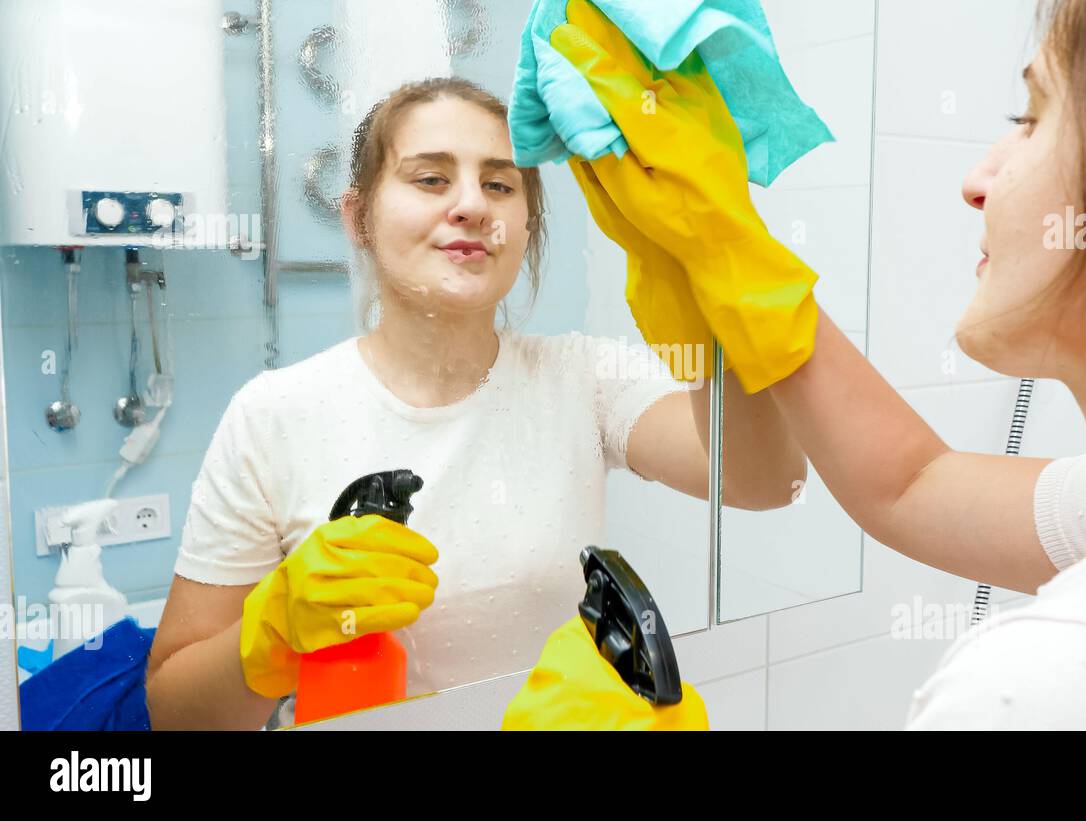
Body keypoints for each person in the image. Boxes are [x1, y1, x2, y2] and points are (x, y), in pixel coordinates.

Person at [555, 0, 1086, 728]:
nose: (977, 179)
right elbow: (911, 483)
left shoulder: (1062, 680)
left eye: (1030, 119)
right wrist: (727, 250)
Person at [144, 77, 806, 730]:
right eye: (430, 179)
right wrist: (271, 636)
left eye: (499, 183)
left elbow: (769, 478)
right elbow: (175, 712)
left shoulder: (584, 377)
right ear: (358, 219)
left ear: (526, 223)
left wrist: (711, 292)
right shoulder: (272, 415)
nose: (470, 204)